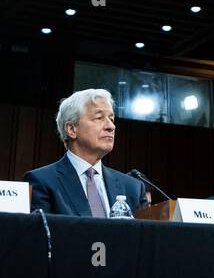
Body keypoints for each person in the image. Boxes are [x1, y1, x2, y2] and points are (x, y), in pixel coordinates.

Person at [24, 89, 144, 217]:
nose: (111, 127)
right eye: (99, 118)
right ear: (71, 129)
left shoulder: (133, 188)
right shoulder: (42, 182)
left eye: (111, 119)